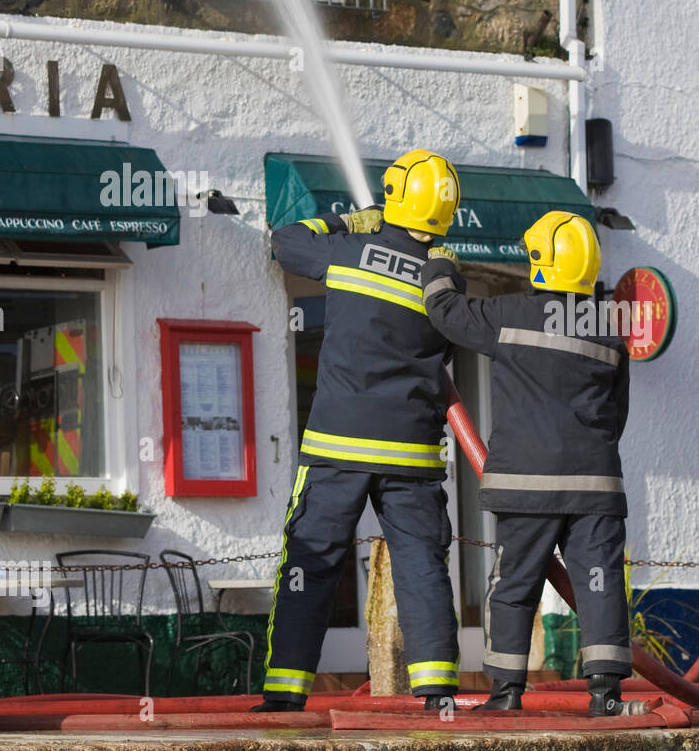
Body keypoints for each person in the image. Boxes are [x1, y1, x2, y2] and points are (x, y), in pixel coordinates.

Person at [251, 150, 462, 713]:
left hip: (336, 445)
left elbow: (286, 241)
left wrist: (345, 220)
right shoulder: (444, 279)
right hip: (411, 451)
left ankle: (285, 694)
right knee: (420, 564)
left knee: (311, 561)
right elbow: (450, 344)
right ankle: (437, 693)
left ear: (392, 197)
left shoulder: (348, 250)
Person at [421, 210, 634, 716]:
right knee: (600, 582)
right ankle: (606, 696)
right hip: (595, 486)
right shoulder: (609, 330)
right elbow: (617, 416)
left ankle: (506, 694)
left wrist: (439, 266)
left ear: (540, 261)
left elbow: (445, 312)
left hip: (526, 486)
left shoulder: (510, 313)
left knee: (514, 584)